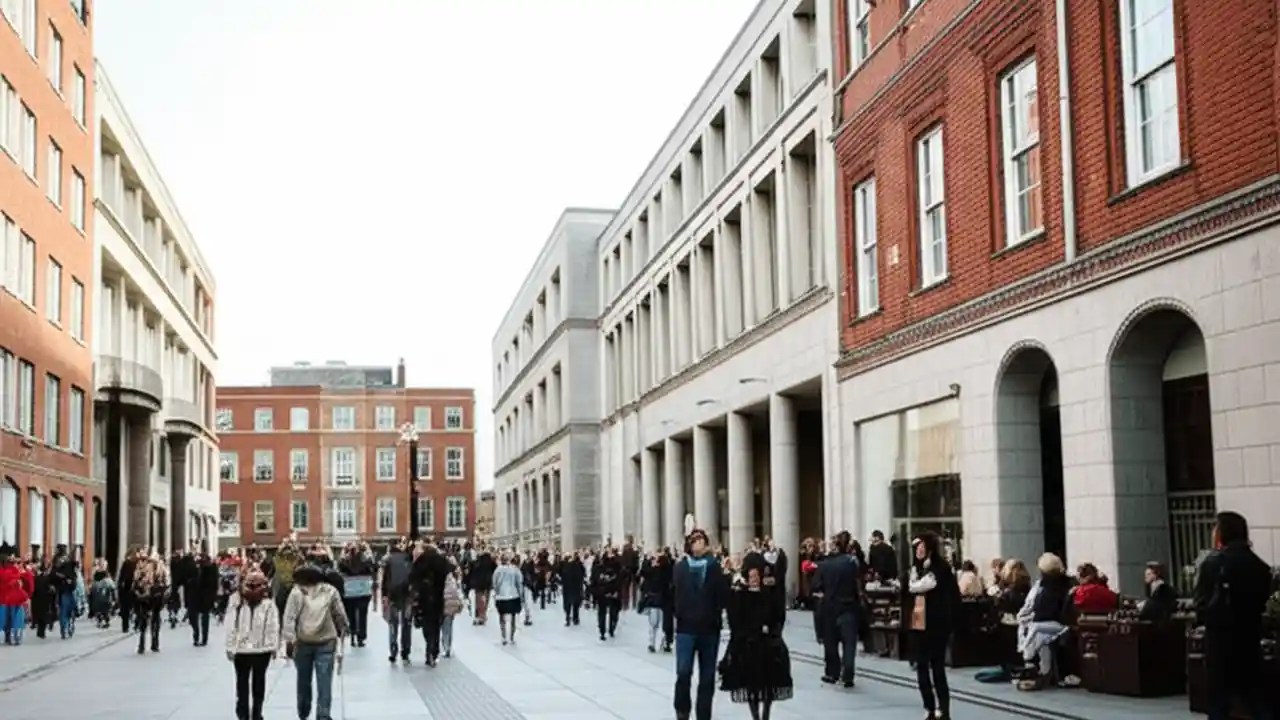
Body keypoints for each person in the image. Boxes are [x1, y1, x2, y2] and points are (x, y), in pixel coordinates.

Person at [1193, 511, 1273, 720]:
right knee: (1255, 698)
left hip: (1220, 642)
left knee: (1219, 702)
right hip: (1249, 639)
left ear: (1222, 532)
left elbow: (1200, 606)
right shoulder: (1261, 567)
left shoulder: (1213, 563)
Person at [720, 552, 792, 720]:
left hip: (768, 645)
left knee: (768, 686)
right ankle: (756, 716)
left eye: (756, 574)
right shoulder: (740, 594)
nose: (753, 578)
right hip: (749, 645)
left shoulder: (769, 593)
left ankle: (765, 715)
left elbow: (778, 615)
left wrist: (773, 631)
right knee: (752, 687)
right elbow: (734, 618)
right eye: (750, 575)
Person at [672, 528, 728, 720]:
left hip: (709, 629)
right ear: (689, 544)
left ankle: (704, 714)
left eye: (701, 539)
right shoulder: (681, 567)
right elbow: (673, 593)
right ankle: (682, 710)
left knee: (707, 677)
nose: (698, 542)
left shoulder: (715, 567)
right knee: (683, 671)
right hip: (686, 628)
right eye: (694, 539)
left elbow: (722, 596)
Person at [282, 563, 349, 720]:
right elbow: (340, 614)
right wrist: (344, 629)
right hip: (326, 641)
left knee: (303, 681)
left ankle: (303, 711)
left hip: (303, 642)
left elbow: (289, 618)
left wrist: (289, 640)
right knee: (324, 682)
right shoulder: (330, 591)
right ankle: (323, 715)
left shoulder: (296, 593)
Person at [904, 532, 959, 720]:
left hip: (936, 625)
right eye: (916, 548)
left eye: (922, 547)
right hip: (918, 625)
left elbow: (951, 595)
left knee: (937, 668)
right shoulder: (913, 571)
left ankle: (943, 710)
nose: (918, 551)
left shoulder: (940, 569)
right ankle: (928, 707)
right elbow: (907, 593)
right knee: (921, 667)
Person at [225, 569, 279, 720]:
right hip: (246, 650)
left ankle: (254, 713)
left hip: (259, 650)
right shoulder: (236, 601)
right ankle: (246, 713)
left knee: (254, 684)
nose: (254, 589)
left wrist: (273, 646)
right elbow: (231, 626)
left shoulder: (268, 603)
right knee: (247, 684)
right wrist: (230, 646)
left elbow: (272, 626)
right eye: (251, 585)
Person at [814, 530, 862, 688]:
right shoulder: (852, 563)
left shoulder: (824, 564)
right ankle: (848, 673)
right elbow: (858, 583)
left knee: (831, 642)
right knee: (849, 644)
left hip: (830, 606)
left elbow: (816, 586)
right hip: (849, 606)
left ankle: (832, 672)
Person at [410, 540, 452, 667]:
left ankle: (429, 648)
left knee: (426, 625)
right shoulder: (441, 560)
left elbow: (412, 577)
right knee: (436, 625)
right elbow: (450, 572)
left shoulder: (421, 560)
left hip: (424, 598)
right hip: (438, 597)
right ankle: (434, 651)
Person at [379, 539, 414, 663]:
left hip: (392, 595)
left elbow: (384, 580)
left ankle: (393, 651)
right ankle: (405, 651)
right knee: (406, 624)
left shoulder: (388, 559)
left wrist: (384, 596)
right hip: (406, 595)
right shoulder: (407, 558)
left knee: (393, 624)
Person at [338, 543, 374, 647]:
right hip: (363, 590)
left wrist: (342, 554)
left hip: (349, 591)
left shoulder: (345, 561)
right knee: (362, 615)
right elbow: (372, 568)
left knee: (350, 614)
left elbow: (339, 568)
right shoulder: (364, 560)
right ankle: (361, 637)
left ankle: (353, 634)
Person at [132, 551, 169, 654]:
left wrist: (138, 592)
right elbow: (166, 583)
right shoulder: (159, 567)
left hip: (148, 597)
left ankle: (144, 644)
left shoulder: (142, 567)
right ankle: (153, 643)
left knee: (146, 620)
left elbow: (135, 582)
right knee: (153, 620)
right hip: (153, 597)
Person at [0, 544, 33, 645]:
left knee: (8, 618)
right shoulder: (15, 570)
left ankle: (10, 634)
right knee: (10, 617)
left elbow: (26, 580)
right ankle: (11, 634)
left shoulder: (13, 570)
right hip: (8, 598)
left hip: (9, 598)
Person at [591, 547, 622, 642]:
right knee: (610, 612)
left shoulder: (615, 565)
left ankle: (604, 630)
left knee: (604, 612)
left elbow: (594, 581)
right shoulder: (601, 567)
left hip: (606, 592)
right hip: (608, 592)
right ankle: (607, 629)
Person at [492, 553, 524, 645]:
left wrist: (497, 592)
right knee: (513, 617)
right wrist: (521, 596)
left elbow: (494, 583)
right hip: (513, 596)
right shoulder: (515, 569)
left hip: (501, 597)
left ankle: (503, 636)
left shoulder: (497, 570)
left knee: (502, 617)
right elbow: (519, 583)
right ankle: (512, 637)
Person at [440, 560, 464, 658]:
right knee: (449, 627)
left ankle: (445, 647)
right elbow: (458, 593)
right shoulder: (453, 580)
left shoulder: (439, 579)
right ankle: (448, 646)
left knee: (443, 627)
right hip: (452, 606)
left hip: (443, 605)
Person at [559, 551, 585, 627]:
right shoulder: (579, 566)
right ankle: (575, 618)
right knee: (576, 605)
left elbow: (562, 576)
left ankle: (568, 617)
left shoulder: (566, 566)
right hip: (576, 589)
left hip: (567, 589)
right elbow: (582, 576)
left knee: (568, 604)